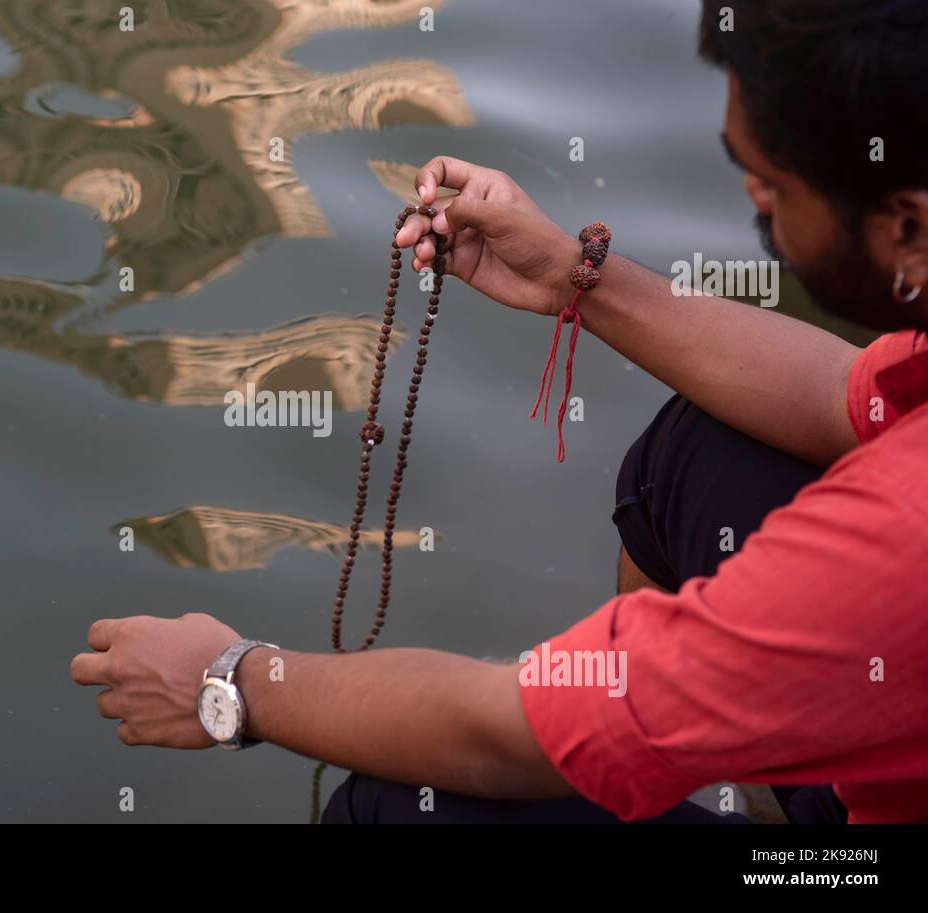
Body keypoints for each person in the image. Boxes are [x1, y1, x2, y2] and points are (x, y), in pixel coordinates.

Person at [70, 0, 928, 824]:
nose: (753, 196)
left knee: (404, 805)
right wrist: (571, 276)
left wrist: (231, 681)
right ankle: (685, 736)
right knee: (698, 451)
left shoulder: (900, 539)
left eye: (773, 181)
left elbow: (504, 736)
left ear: (908, 226)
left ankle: (661, 719)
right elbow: (840, 392)